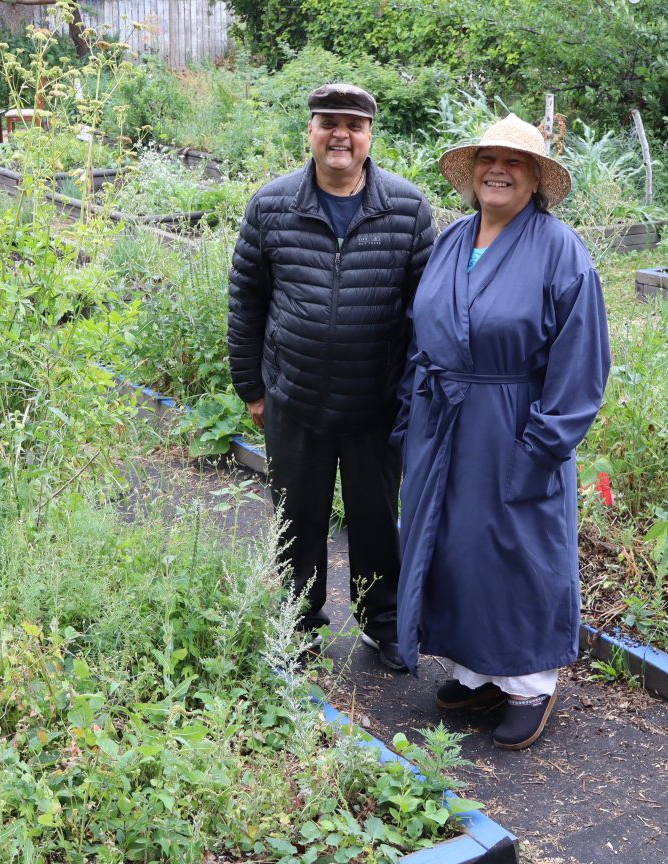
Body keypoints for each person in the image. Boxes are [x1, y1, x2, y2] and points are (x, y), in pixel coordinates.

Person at [394, 114, 610, 748]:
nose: (498, 170)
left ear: (536, 178)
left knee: (517, 550)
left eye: (514, 162)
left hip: (514, 422)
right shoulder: (454, 238)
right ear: (471, 174)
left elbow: (580, 361)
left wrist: (542, 445)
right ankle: (477, 669)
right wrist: (412, 414)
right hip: (446, 424)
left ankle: (527, 684)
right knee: (459, 546)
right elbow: (422, 334)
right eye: (488, 158)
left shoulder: (559, 249)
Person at [229, 83, 435, 672]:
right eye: (328, 123)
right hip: (295, 399)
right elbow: (247, 300)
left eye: (353, 124)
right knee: (298, 515)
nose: (339, 135)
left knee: (376, 520)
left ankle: (384, 621)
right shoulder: (271, 206)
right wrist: (252, 388)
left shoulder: (407, 208)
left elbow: (428, 311)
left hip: (375, 402)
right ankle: (300, 622)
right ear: (311, 131)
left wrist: (412, 395)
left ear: (370, 135)